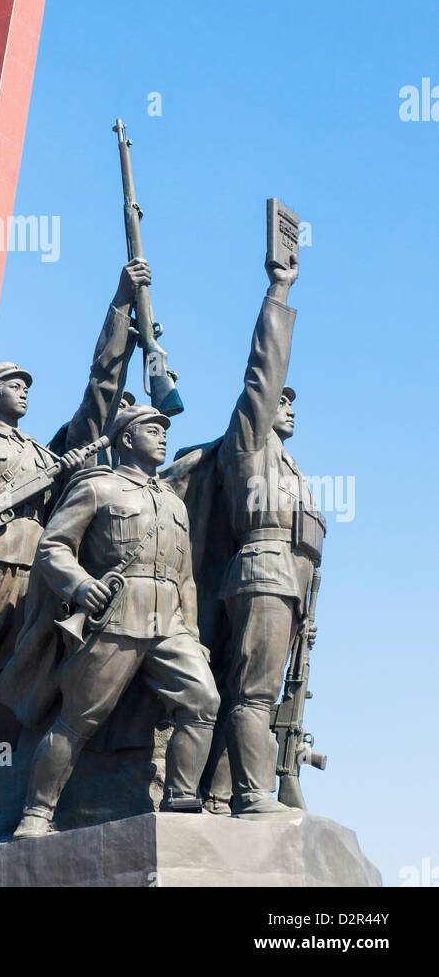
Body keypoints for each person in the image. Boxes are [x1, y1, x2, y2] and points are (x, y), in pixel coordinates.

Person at [0, 262, 148, 765]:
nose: (23, 390)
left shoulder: (40, 452)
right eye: (13, 384)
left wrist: (123, 314)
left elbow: (96, 398)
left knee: (26, 653)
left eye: (25, 385)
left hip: (35, 561)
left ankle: (14, 747)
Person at [12, 404, 220, 838]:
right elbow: (53, 546)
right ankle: (37, 812)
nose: (163, 436)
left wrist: (193, 633)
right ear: (127, 438)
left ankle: (180, 800)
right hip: (117, 616)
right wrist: (80, 585)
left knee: (203, 700)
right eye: (152, 430)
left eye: (164, 430)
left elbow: (186, 578)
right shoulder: (98, 486)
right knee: (79, 718)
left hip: (170, 622)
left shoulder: (174, 502)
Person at [213, 255, 324, 817]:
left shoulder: (291, 466)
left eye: (293, 402)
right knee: (254, 692)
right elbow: (262, 370)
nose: (289, 407)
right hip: (262, 570)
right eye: (282, 400)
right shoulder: (250, 445)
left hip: (288, 585)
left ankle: (221, 794)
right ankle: (252, 795)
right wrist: (279, 290)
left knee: (265, 693)